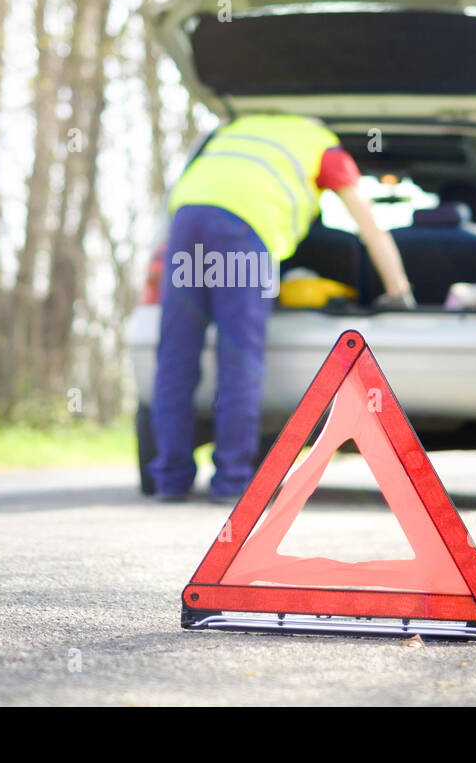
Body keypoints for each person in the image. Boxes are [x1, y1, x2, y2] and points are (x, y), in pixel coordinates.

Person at [151, 112, 414, 502]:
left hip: (187, 219)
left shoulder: (237, 128)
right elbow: (368, 223)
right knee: (238, 357)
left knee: (175, 356)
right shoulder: (324, 146)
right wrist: (399, 290)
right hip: (242, 230)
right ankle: (231, 482)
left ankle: (170, 481)